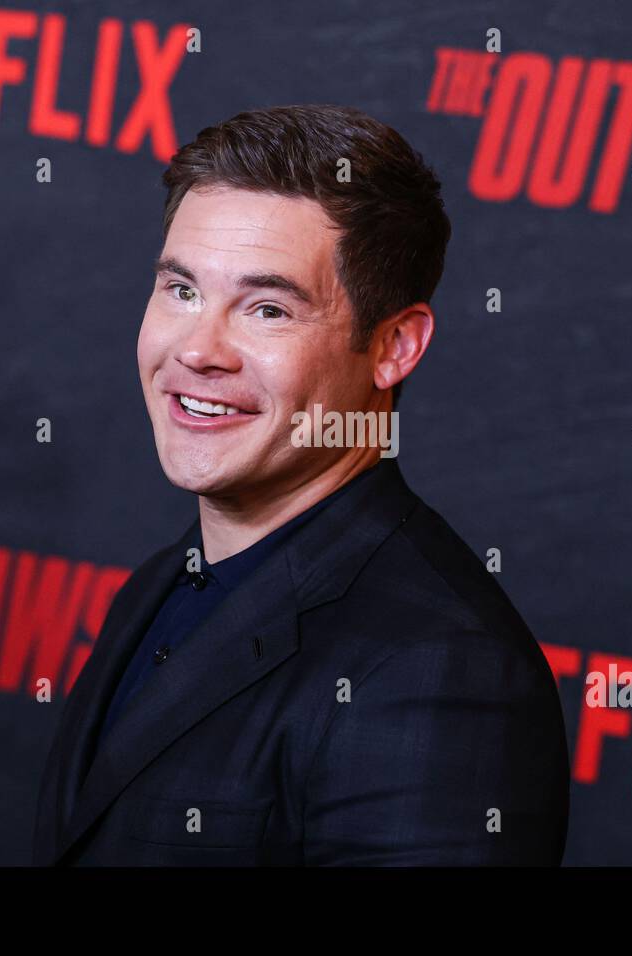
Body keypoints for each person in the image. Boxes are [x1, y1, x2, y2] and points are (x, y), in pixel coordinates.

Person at [34, 104, 568, 865]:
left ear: (394, 346)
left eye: (267, 308)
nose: (198, 350)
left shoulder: (437, 669)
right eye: (181, 290)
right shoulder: (162, 585)